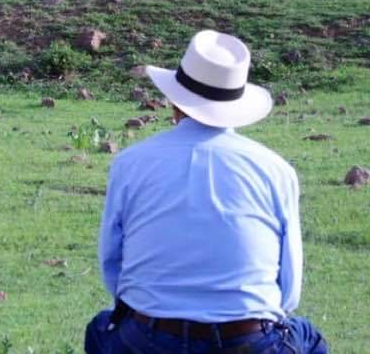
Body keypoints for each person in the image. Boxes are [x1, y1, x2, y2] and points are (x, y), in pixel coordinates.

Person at [85, 30, 328, 353]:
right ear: (236, 106)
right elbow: (289, 291)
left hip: (149, 335)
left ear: (174, 101)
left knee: (100, 331)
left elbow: (111, 265)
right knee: (307, 338)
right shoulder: (276, 170)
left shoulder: (130, 163)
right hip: (249, 337)